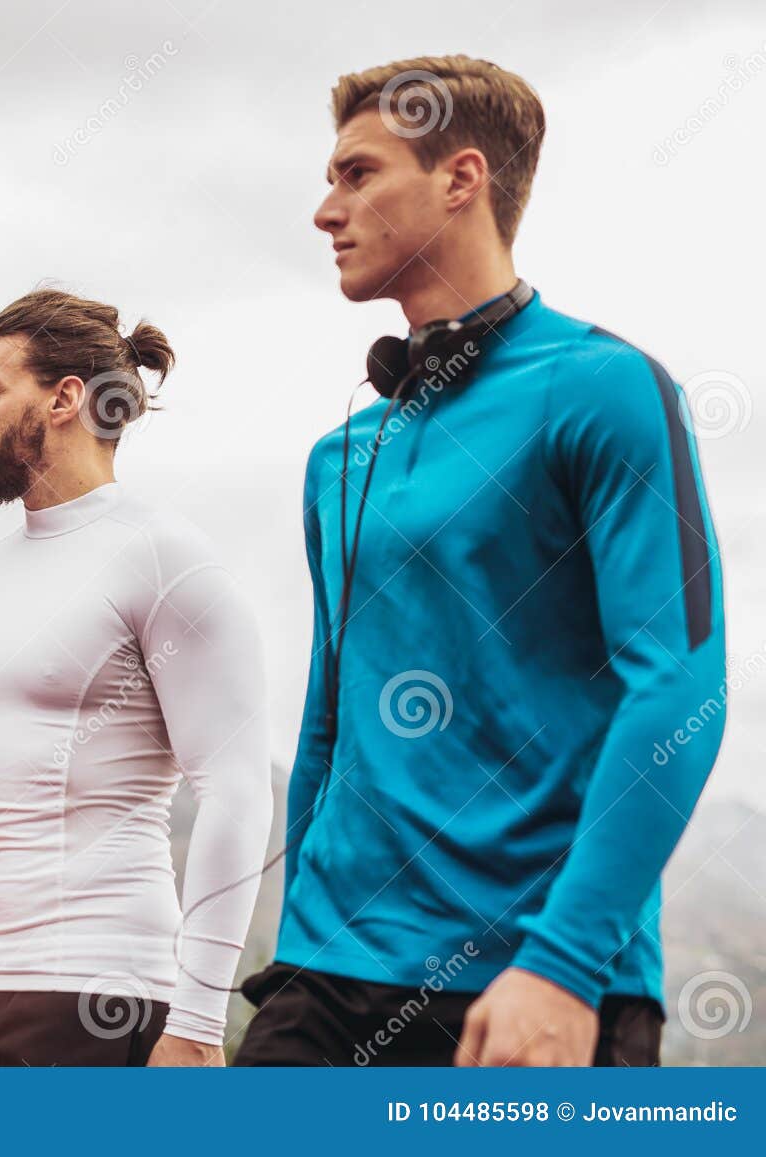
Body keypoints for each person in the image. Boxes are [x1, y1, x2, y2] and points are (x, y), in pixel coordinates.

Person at [235, 56, 726, 1067]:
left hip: (535, 977)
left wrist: (565, 962)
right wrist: (294, 942)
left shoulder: (605, 388)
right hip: (327, 974)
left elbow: (679, 687)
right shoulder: (339, 458)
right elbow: (328, 716)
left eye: (358, 174)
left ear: (461, 179)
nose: (326, 211)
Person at [0, 289, 273, 1066]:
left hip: (100, 989)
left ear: (66, 399)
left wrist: (199, 1022)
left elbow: (236, 790)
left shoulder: (164, 557)